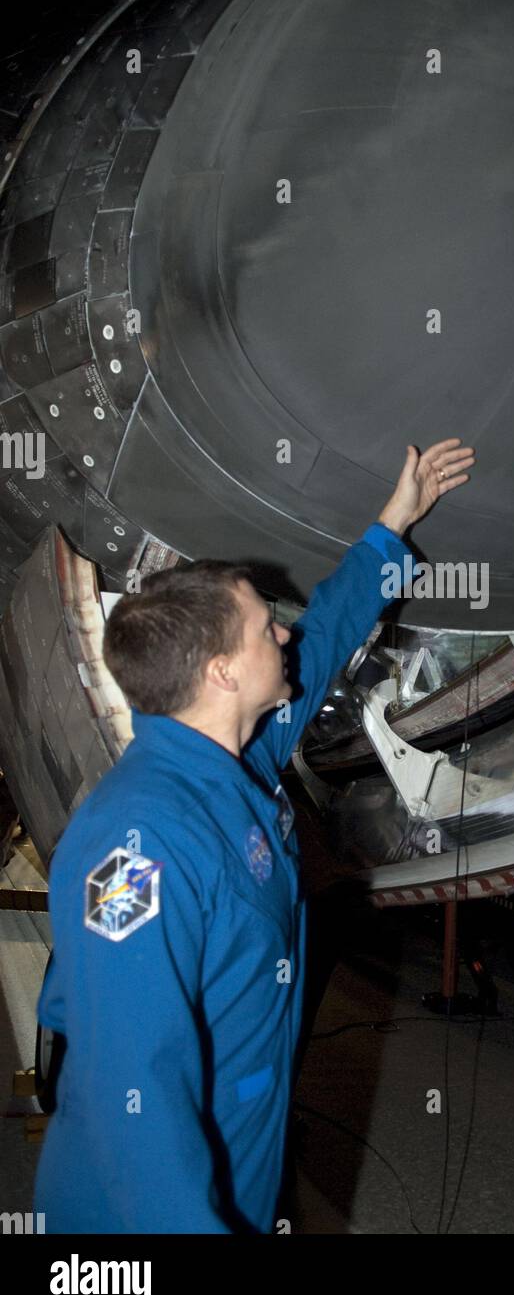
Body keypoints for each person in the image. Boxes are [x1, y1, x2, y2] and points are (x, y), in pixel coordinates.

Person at [34, 437, 474, 1234]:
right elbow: (133, 1094)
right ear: (222, 675)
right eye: (266, 627)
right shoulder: (138, 844)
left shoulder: (234, 761)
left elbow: (330, 632)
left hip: (240, 1152)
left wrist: (394, 523)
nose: (284, 636)